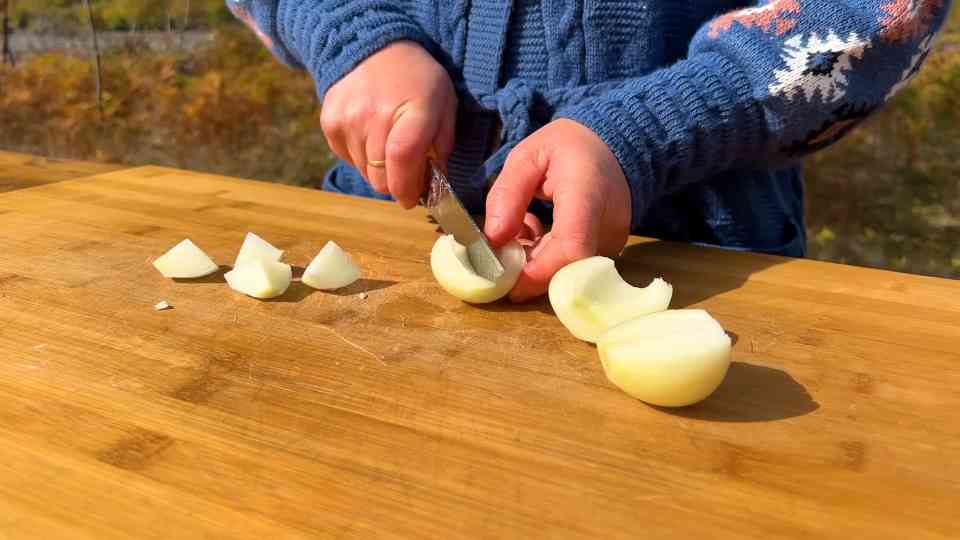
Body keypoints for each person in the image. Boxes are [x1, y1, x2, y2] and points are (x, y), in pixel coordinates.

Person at [228, 0, 950, 301]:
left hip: (691, 257)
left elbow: (877, 9)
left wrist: (647, 131)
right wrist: (351, 36)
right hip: (382, 218)